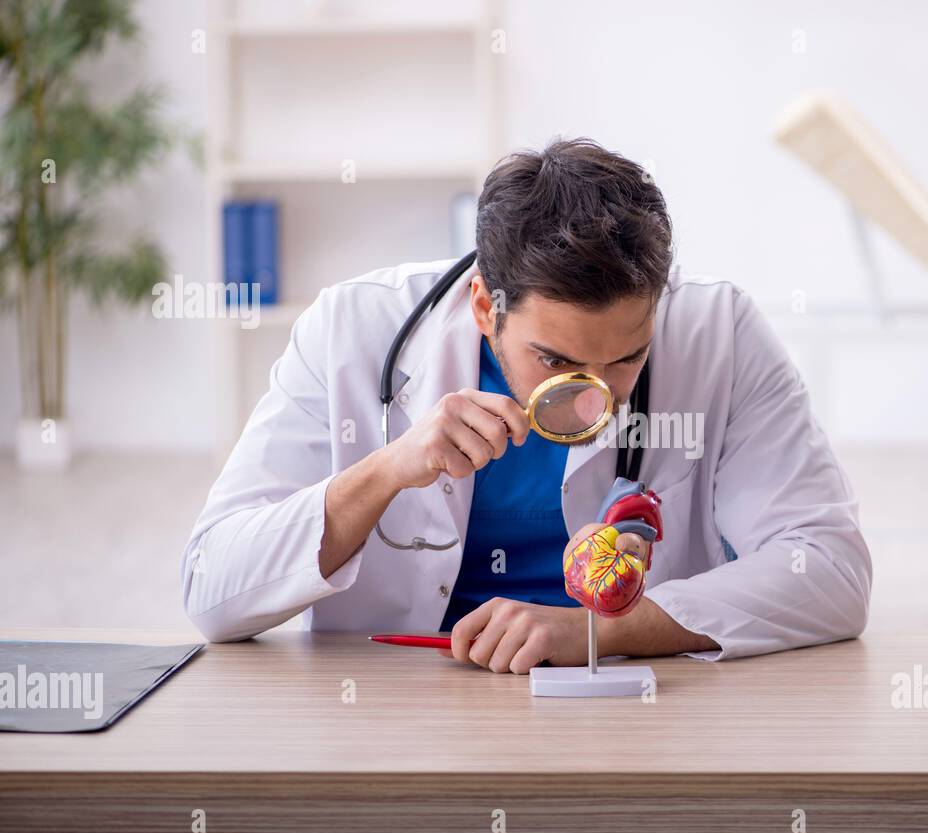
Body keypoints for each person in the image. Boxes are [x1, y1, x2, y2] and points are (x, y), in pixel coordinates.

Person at [181, 138, 871, 673]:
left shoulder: (718, 331)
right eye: (557, 362)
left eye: (628, 358)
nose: (595, 395)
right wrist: (388, 469)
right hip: (396, 706)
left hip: (630, 707)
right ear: (486, 306)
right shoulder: (350, 330)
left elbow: (829, 568)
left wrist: (604, 630)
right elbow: (215, 590)